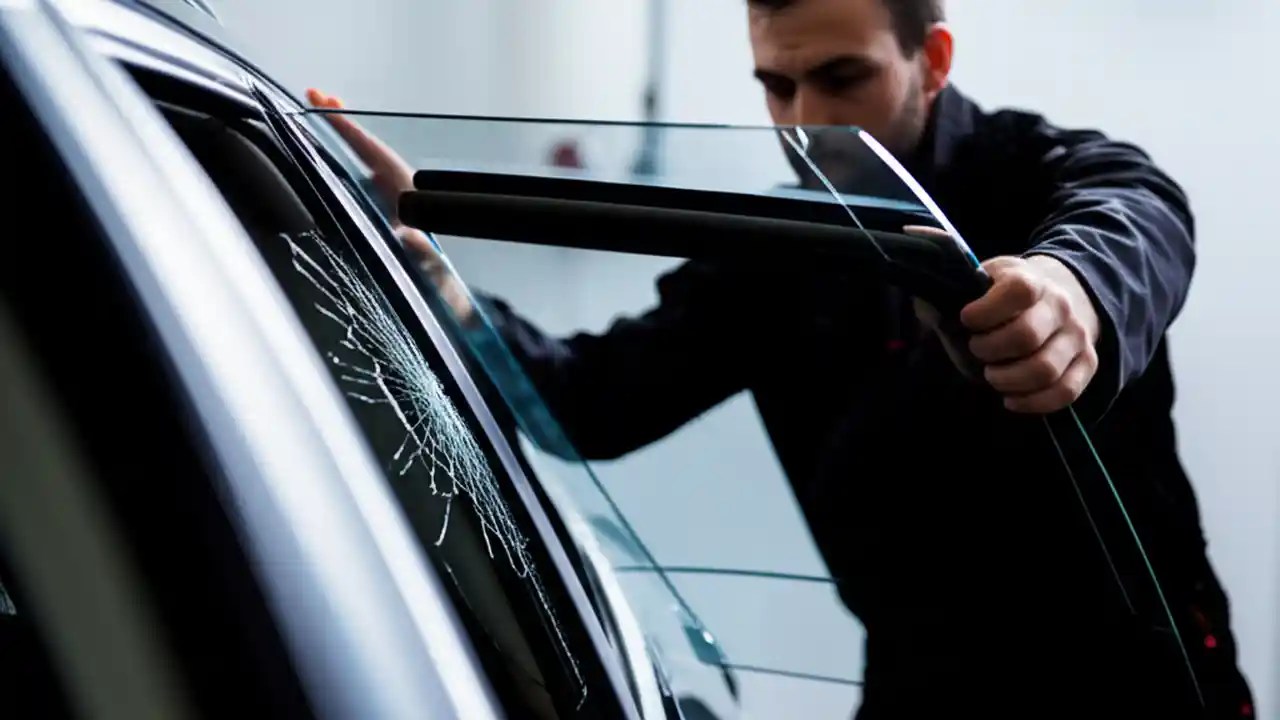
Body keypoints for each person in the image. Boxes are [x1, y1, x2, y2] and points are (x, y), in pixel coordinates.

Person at [308, 0, 1255, 716]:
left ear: (932, 60)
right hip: (917, 686)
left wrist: (1069, 293)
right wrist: (433, 270)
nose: (804, 120)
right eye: (776, 85)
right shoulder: (777, 248)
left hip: (1139, 685)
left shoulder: (1048, 173)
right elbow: (590, 400)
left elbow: (1136, 218)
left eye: (842, 79)